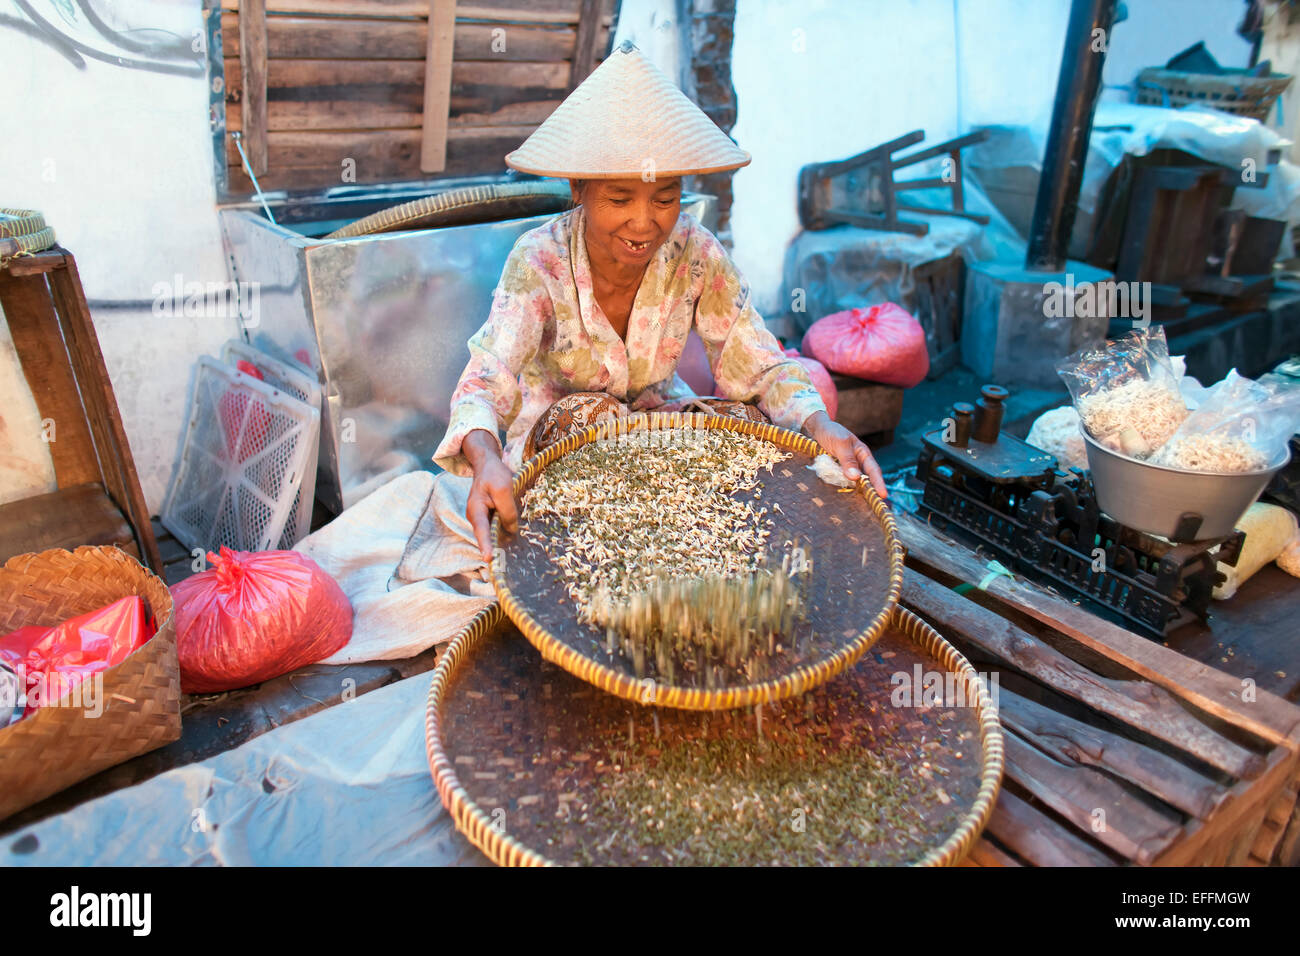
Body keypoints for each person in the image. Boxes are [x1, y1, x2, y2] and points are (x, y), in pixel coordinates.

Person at [432, 42, 886, 561]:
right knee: (594, 417)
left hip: (655, 427)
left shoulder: (695, 251)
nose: (645, 222)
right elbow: (485, 377)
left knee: (753, 428)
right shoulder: (539, 260)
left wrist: (819, 424)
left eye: (665, 198)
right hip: (563, 435)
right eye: (619, 199)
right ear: (580, 188)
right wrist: (486, 456)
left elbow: (759, 365)